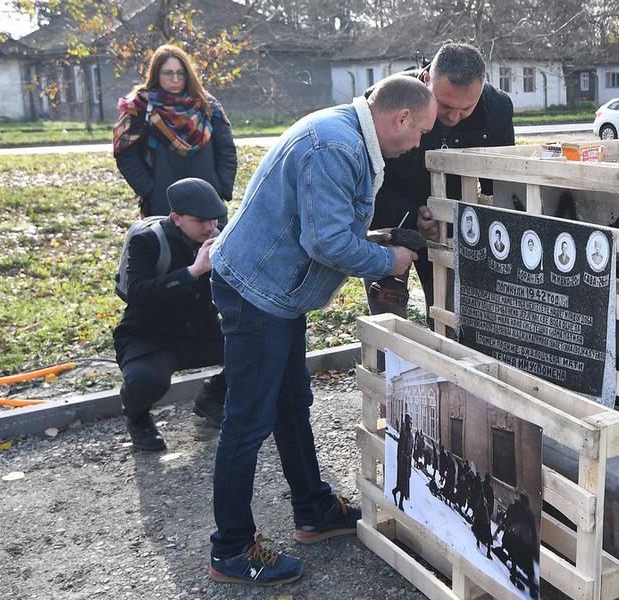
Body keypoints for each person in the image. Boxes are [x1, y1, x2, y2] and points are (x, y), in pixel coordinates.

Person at [205, 74, 433, 585]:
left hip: (277, 293)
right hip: (257, 291)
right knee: (247, 421)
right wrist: (387, 259)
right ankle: (232, 549)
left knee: (291, 404)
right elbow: (326, 241)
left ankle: (313, 510)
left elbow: (322, 223)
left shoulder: (346, 134)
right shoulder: (336, 146)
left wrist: (385, 238)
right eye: (420, 133)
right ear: (401, 118)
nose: (418, 144)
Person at [366, 42, 515, 318]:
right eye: (445, 105)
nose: (454, 117)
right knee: (387, 306)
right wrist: (412, 217)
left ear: (482, 88)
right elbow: (368, 182)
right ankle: (389, 357)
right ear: (426, 81)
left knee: (451, 311)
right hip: (393, 212)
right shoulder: (388, 100)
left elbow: (500, 185)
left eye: (466, 108)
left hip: (454, 224)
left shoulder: (498, 109)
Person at [114, 178, 228, 451]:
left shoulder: (220, 236)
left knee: (257, 347)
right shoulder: (149, 241)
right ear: (177, 218)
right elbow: (139, 293)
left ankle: (212, 398)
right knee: (147, 381)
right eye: (201, 220)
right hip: (150, 336)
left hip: (200, 331)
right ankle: (138, 418)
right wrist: (193, 271)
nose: (210, 226)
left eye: (214, 219)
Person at [114, 44, 237, 218]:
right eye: (168, 73)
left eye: (180, 73)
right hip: (162, 204)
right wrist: (149, 190)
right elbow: (125, 154)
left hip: (208, 201)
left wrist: (221, 188)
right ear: (156, 73)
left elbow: (226, 151)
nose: (175, 79)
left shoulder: (207, 106)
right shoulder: (140, 107)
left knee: (211, 245)